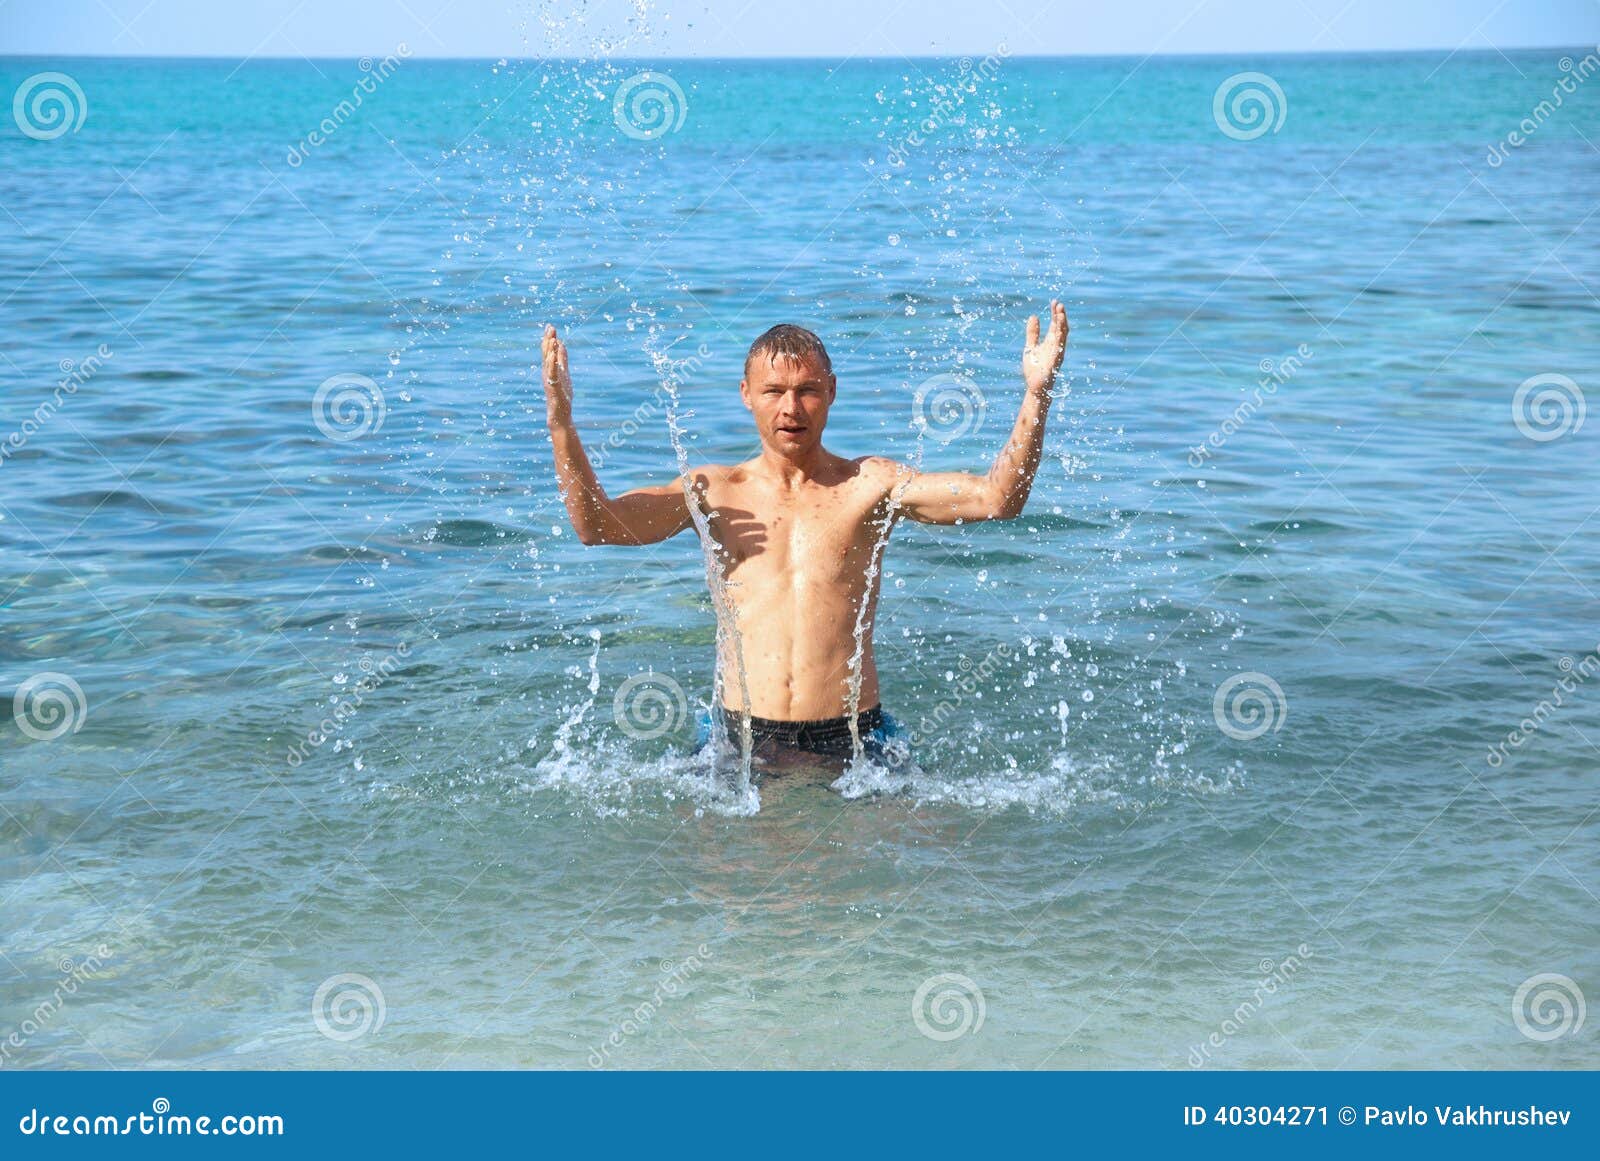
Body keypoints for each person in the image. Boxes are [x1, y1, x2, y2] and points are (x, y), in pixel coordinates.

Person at [541, 301, 1068, 773]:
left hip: (854, 733)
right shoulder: (713, 491)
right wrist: (561, 420)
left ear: (832, 392)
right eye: (774, 391)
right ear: (747, 395)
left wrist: (1036, 395)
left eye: (807, 390)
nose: (790, 408)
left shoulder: (872, 486)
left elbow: (999, 499)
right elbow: (597, 526)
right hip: (742, 733)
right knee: (717, 873)